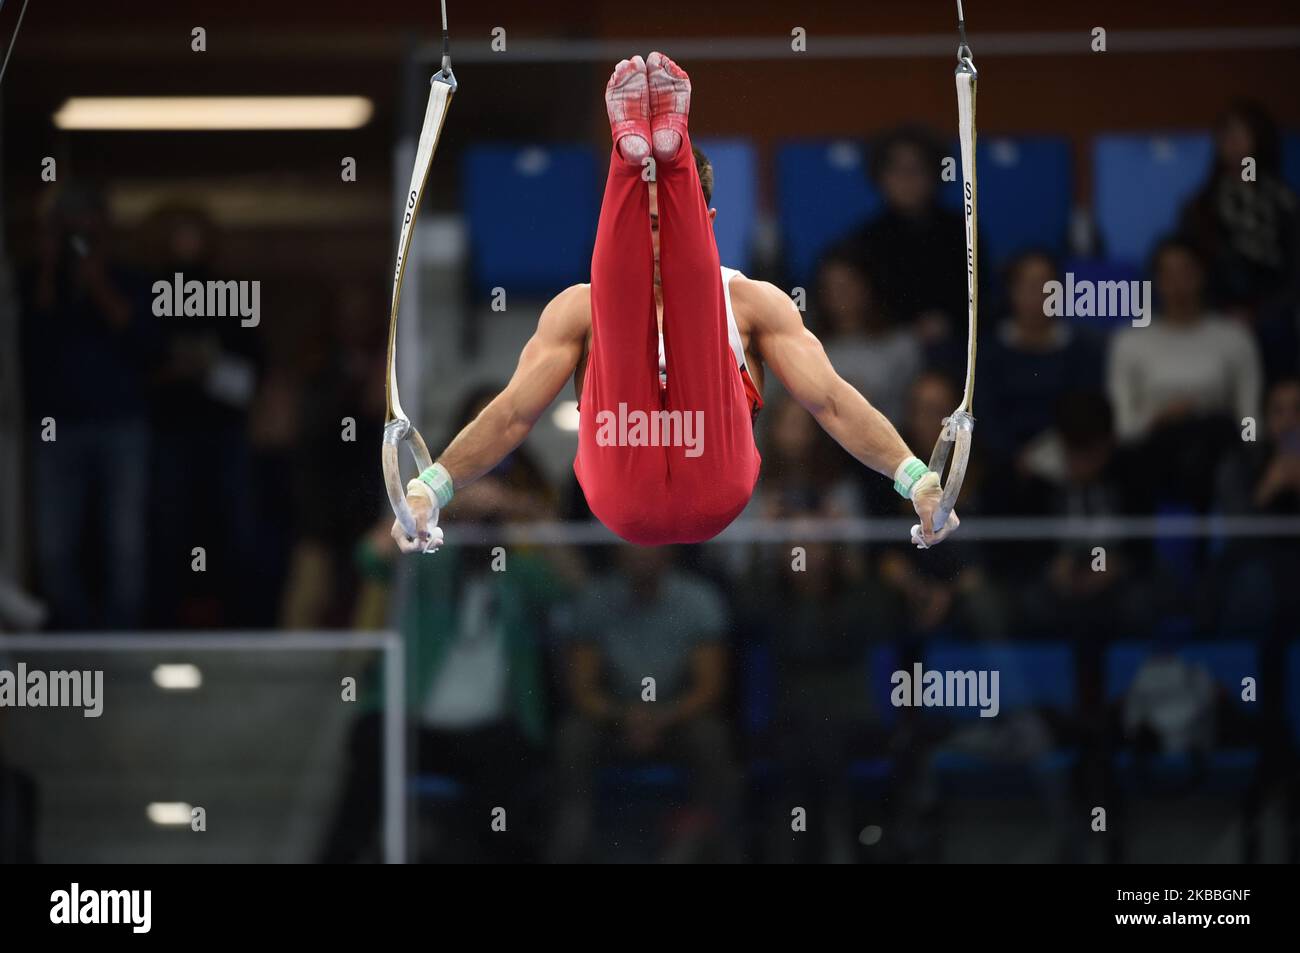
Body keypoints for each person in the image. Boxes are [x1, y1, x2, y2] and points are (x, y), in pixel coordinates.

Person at [391, 54, 958, 554]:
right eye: (643, 227)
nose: (652, 243)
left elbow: (830, 401)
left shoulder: (754, 304)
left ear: (703, 222)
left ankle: (666, 154)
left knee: (703, 316)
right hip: (621, 472)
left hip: (715, 476)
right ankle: (634, 158)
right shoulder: (579, 310)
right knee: (611, 308)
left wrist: (915, 478)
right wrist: (431, 487)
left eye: (663, 225)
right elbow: (515, 413)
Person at [548, 545, 741, 862]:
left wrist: (662, 717)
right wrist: (625, 716)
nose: (642, 556)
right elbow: (582, 687)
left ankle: (705, 843)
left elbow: (710, 686)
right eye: (633, 547)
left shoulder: (698, 599)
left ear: (670, 552)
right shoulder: (596, 598)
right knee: (573, 737)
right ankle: (573, 835)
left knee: (712, 740)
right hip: (614, 716)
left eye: (651, 547)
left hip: (677, 715)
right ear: (617, 553)